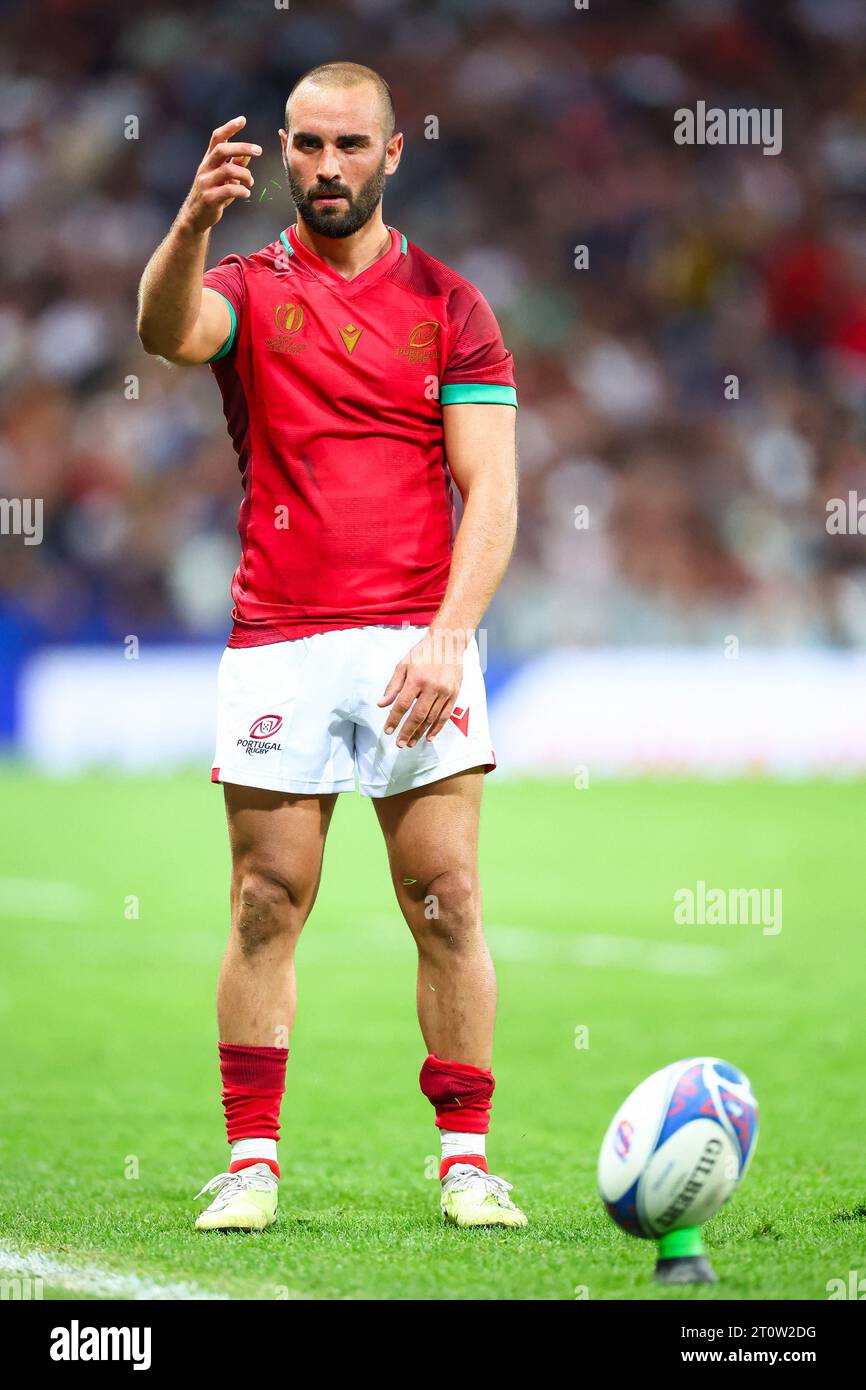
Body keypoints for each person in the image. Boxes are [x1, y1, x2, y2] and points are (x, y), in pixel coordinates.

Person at [137, 61, 523, 1231]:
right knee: (264, 900)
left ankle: (465, 1161)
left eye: (349, 146)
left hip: (418, 637)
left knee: (445, 900)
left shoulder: (451, 303)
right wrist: (191, 222)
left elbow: (492, 493)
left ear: (393, 153)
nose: (324, 168)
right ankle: (250, 1162)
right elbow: (163, 334)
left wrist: (449, 635)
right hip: (279, 642)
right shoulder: (246, 289)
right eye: (305, 147)